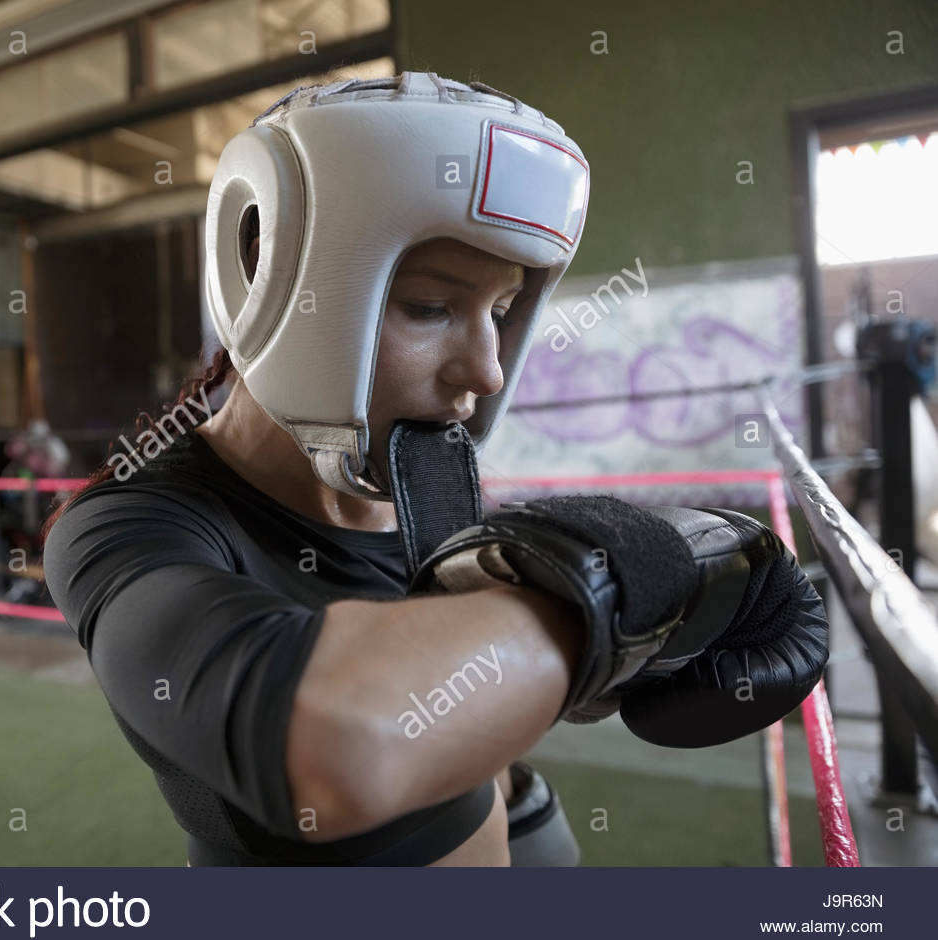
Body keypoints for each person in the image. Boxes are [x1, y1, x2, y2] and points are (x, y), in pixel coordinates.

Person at [41, 73, 825, 866]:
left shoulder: (428, 491)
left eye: (499, 310)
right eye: (429, 307)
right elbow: (330, 746)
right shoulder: (125, 526)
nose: (485, 371)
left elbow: (458, 719)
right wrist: (599, 597)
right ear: (268, 289)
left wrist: (608, 644)